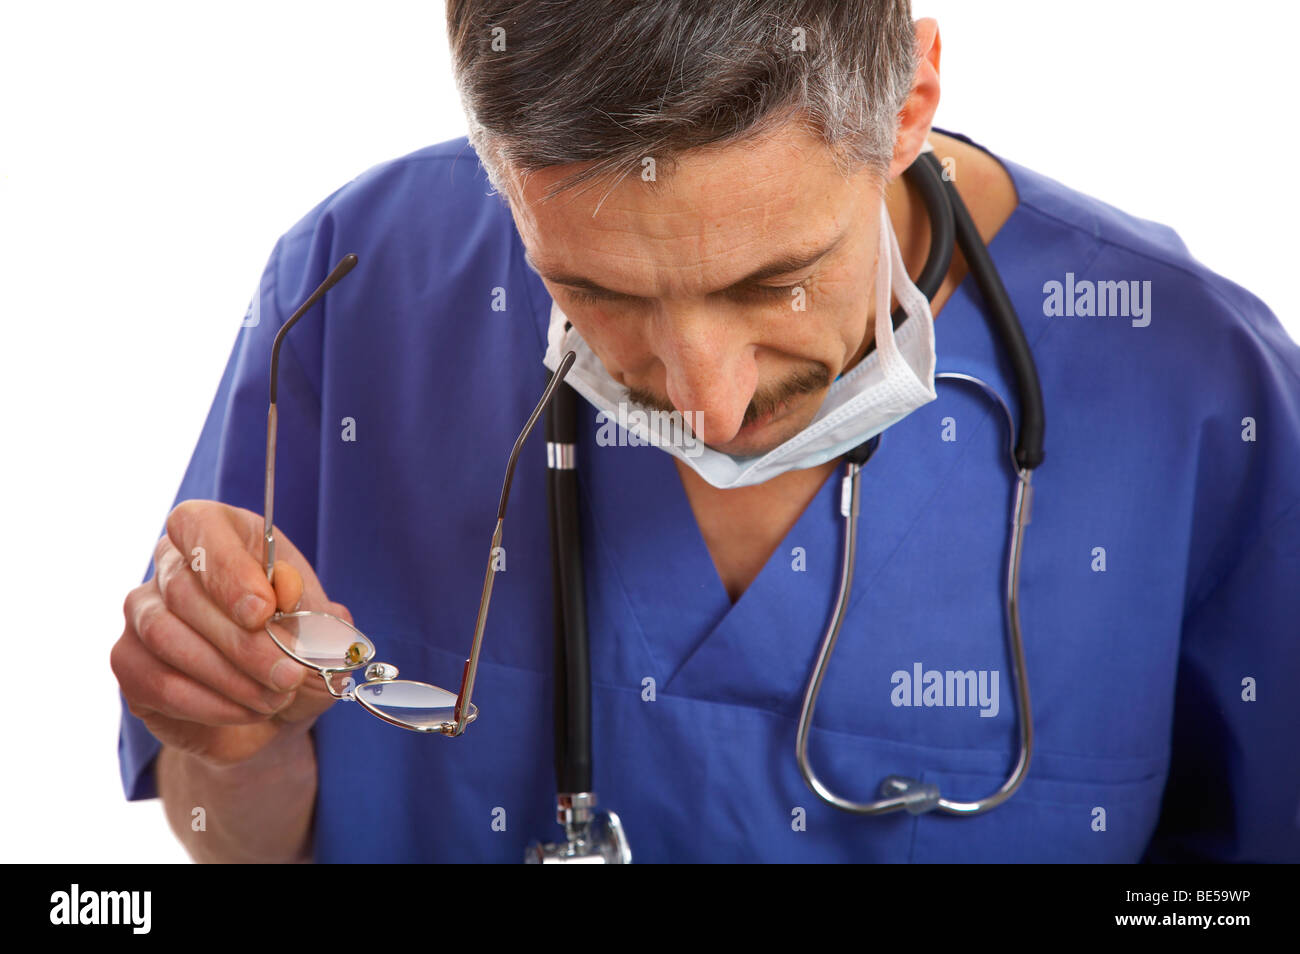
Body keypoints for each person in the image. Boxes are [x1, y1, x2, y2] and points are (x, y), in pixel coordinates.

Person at [112, 1, 1300, 863]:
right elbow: (247, 838)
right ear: (501, 173)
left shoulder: (1190, 381)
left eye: (771, 283)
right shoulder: (358, 283)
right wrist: (230, 738)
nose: (705, 407)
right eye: (595, 292)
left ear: (907, 104)